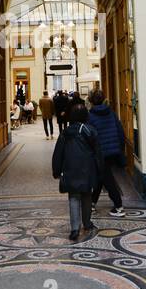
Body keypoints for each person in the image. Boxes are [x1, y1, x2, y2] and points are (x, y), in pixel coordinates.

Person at [52, 101, 103, 243]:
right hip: (87, 169)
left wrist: (56, 170)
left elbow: (58, 153)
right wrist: (100, 170)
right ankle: (87, 223)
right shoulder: (90, 131)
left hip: (70, 169)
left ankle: (75, 229)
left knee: (73, 197)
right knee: (87, 195)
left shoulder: (65, 133)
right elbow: (97, 152)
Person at [86, 89, 126, 217]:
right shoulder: (111, 113)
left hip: (100, 152)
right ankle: (92, 203)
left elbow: (89, 136)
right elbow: (120, 131)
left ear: (91, 101)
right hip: (113, 150)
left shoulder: (90, 116)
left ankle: (119, 206)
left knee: (107, 179)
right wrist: (120, 148)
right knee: (101, 176)